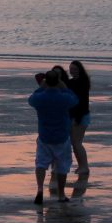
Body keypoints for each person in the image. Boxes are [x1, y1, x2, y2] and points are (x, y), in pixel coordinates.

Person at [28, 68, 78, 205]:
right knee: (62, 165)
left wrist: (41, 87)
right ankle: (61, 194)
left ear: (46, 81)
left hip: (44, 135)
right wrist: (64, 87)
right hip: (61, 136)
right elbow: (75, 100)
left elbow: (31, 99)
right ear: (58, 81)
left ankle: (39, 189)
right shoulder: (64, 98)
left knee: (41, 163)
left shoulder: (40, 98)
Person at [66, 60, 91, 196]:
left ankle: (84, 166)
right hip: (73, 116)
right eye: (70, 69)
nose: (72, 71)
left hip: (81, 116)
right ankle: (81, 166)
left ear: (80, 69)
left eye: (74, 69)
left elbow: (82, 102)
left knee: (77, 143)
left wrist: (77, 118)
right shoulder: (71, 82)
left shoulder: (83, 82)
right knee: (74, 143)